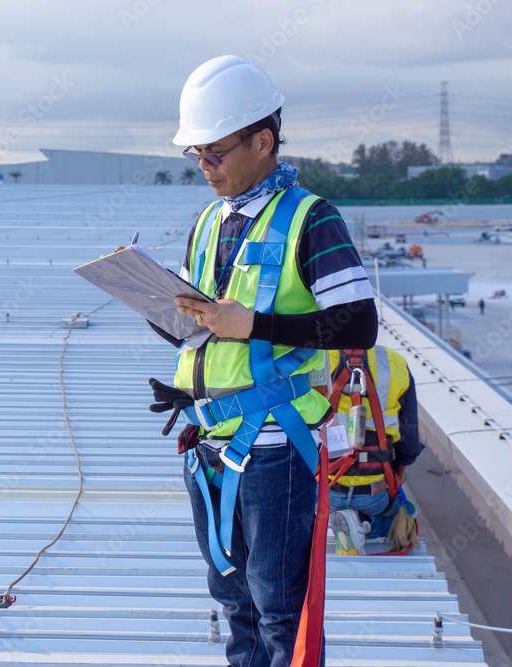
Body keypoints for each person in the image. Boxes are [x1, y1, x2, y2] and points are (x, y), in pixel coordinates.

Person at [145, 56, 378, 667]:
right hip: (210, 439)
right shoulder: (209, 222)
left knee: (280, 610)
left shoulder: (313, 219)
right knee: (233, 601)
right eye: (195, 153)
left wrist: (255, 325)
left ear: (263, 140)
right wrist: (163, 314)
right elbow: (210, 328)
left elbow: (359, 324)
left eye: (214, 152)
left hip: (277, 444)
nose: (204, 166)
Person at [325, 346, 423, 556]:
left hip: (326, 489)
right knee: (401, 523)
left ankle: (345, 522)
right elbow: (409, 442)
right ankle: (365, 524)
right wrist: (396, 475)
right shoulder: (395, 363)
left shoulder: (315, 358)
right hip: (374, 492)